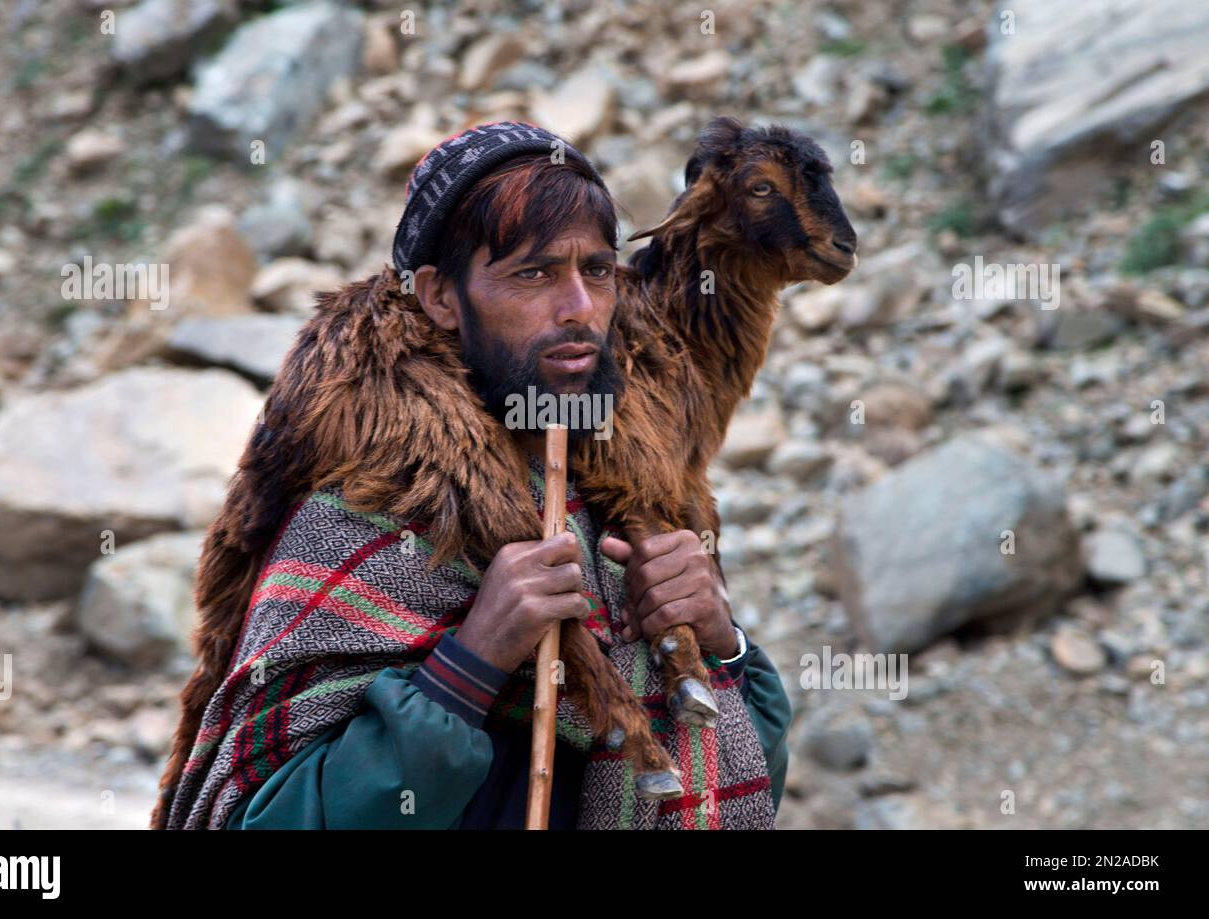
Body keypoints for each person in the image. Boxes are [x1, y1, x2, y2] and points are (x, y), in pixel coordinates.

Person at [170, 122, 793, 830]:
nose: (580, 309)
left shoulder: (634, 512)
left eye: (596, 270)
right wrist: (469, 664)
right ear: (439, 296)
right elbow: (266, 820)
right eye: (533, 274)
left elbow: (745, 787)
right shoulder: (360, 518)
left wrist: (721, 642)